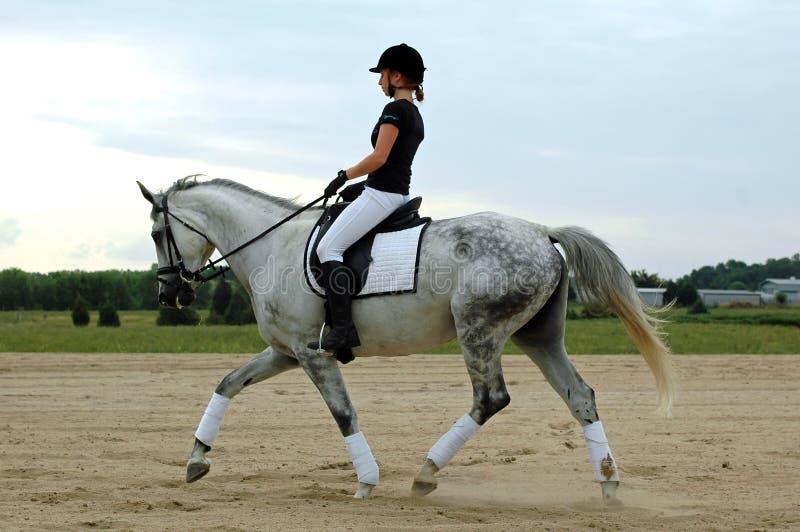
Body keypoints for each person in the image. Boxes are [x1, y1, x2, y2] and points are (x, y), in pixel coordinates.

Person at [309, 43, 426, 352]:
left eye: (382, 75)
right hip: (396, 194)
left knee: (327, 247)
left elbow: (380, 158)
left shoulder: (394, 110)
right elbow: (394, 164)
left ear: (397, 77)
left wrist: (344, 175)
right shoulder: (415, 113)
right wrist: (358, 189)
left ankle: (343, 331)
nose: (379, 82)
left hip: (382, 196)